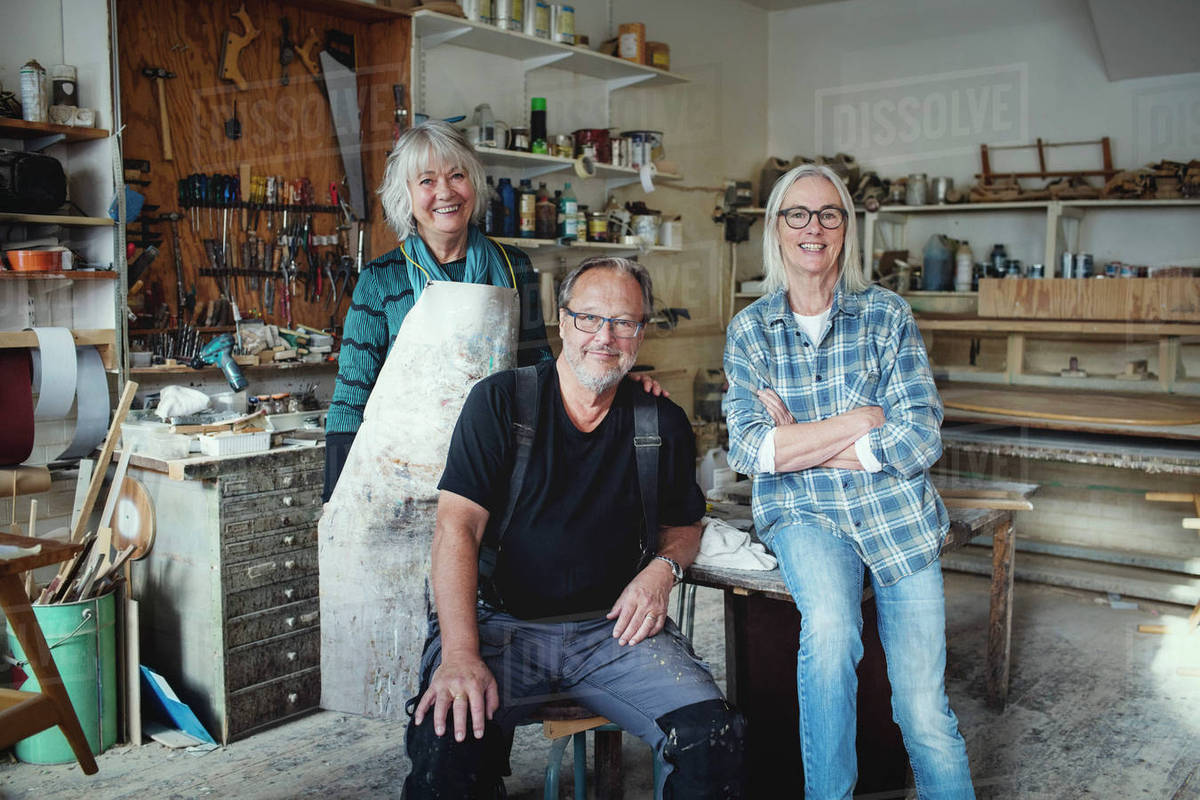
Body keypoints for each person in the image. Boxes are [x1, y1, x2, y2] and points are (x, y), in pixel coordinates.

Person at [403, 257, 745, 799]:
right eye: (590, 318)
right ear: (562, 322)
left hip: (613, 633)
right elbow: (456, 530)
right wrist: (461, 654)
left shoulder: (662, 422)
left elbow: (685, 525)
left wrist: (664, 568)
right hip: (500, 626)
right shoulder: (500, 403)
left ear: (640, 333)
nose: (605, 337)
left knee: (713, 738)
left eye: (624, 322)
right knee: (447, 743)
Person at [722, 165, 974, 799]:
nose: (814, 228)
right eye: (797, 215)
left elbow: (919, 439)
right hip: (803, 513)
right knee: (831, 632)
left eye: (829, 214)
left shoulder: (886, 316)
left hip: (897, 515)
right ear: (776, 230)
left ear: (846, 229)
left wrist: (803, 442)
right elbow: (752, 449)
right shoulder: (750, 331)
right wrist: (862, 421)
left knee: (923, 710)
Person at [323, 120, 552, 502]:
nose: (445, 192)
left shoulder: (515, 268)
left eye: (456, 175)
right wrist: (335, 498)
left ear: (473, 183)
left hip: (498, 469)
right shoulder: (381, 280)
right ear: (406, 195)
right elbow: (351, 394)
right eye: (426, 181)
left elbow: (539, 373)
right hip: (405, 475)